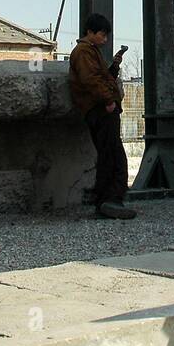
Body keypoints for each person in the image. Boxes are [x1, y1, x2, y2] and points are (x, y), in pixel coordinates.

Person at [69, 14, 135, 219]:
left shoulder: (90, 52)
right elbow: (91, 80)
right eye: (102, 35)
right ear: (90, 32)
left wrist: (113, 67)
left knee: (111, 154)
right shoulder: (83, 52)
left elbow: (100, 78)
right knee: (112, 155)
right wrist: (108, 101)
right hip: (100, 110)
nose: (104, 39)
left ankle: (108, 200)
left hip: (100, 109)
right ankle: (109, 200)